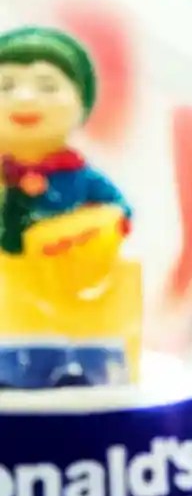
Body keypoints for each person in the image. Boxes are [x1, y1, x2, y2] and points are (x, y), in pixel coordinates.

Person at [0, 26, 134, 388]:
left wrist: (94, 236)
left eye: (47, 86)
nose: (25, 98)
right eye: (6, 86)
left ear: (80, 101)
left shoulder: (80, 178)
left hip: (71, 299)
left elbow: (118, 212)